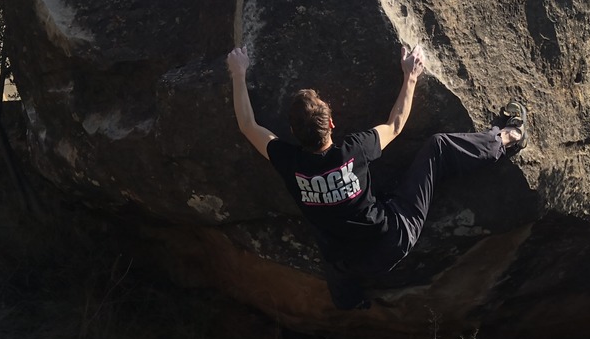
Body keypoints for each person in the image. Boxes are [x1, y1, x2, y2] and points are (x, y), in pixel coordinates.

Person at [226, 43, 527, 309]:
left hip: (350, 263)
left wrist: (238, 73)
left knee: (329, 245)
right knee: (438, 147)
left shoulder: (288, 161)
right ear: (331, 124)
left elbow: (247, 126)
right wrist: (410, 76)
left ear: (292, 133)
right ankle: (508, 138)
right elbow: (395, 124)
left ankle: (350, 302)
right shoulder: (354, 150)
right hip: (393, 238)